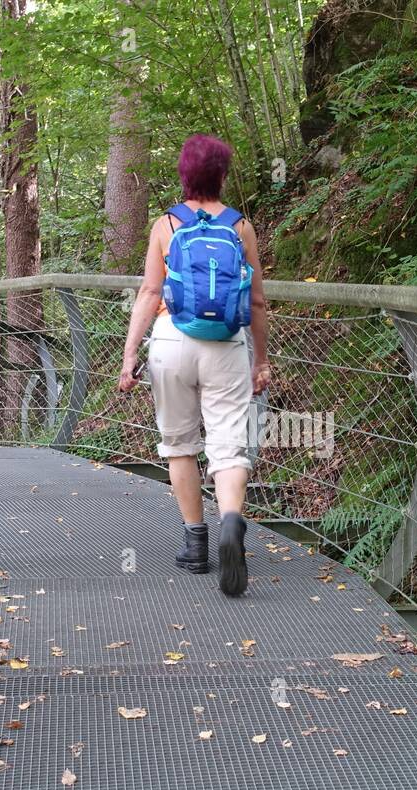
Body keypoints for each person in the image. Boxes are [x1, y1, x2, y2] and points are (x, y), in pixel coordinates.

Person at [118, 134, 271, 597]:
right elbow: (259, 302)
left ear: (184, 174)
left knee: (179, 442)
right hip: (227, 344)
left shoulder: (166, 225)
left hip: (171, 341)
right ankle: (230, 522)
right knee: (228, 445)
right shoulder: (240, 227)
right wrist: (261, 360)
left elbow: (149, 293)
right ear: (221, 174)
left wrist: (129, 356)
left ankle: (196, 544)